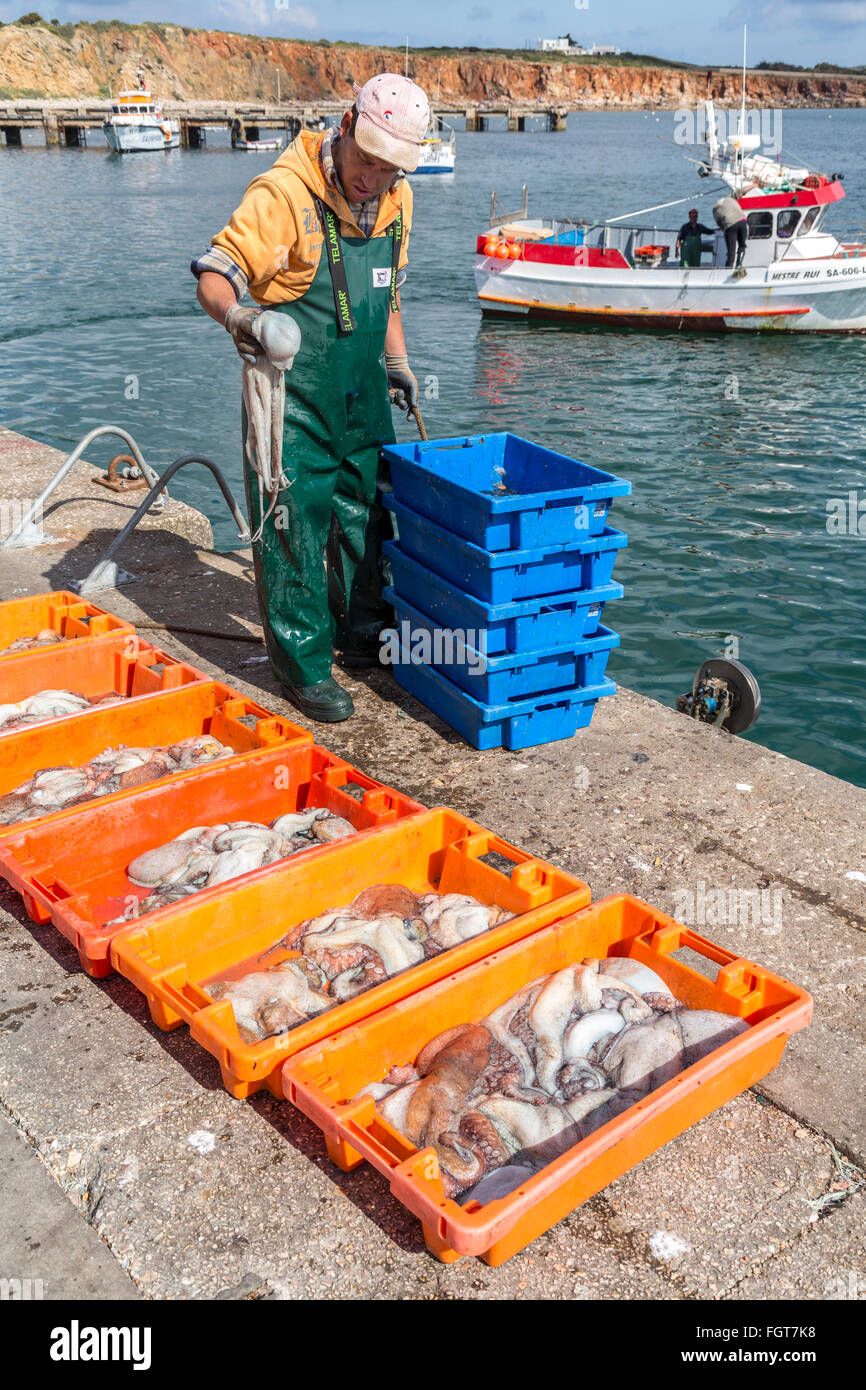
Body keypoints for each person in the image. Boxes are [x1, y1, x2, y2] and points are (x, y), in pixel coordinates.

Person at [192, 74, 429, 723]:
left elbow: (390, 289)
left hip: (363, 389)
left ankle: (360, 635)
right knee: (295, 522)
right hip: (294, 394)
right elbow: (214, 274)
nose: (372, 177)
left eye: (389, 168)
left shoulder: (398, 200)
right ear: (347, 125)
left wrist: (398, 360)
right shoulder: (285, 194)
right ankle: (301, 667)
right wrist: (245, 321)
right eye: (367, 159)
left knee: (369, 512)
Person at [713, 193, 748, 272]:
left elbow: (720, 224)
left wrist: (723, 228)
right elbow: (741, 191)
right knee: (742, 246)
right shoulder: (731, 199)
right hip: (742, 222)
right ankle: (739, 266)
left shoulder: (715, 209)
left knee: (731, 251)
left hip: (730, 226)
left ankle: (728, 270)